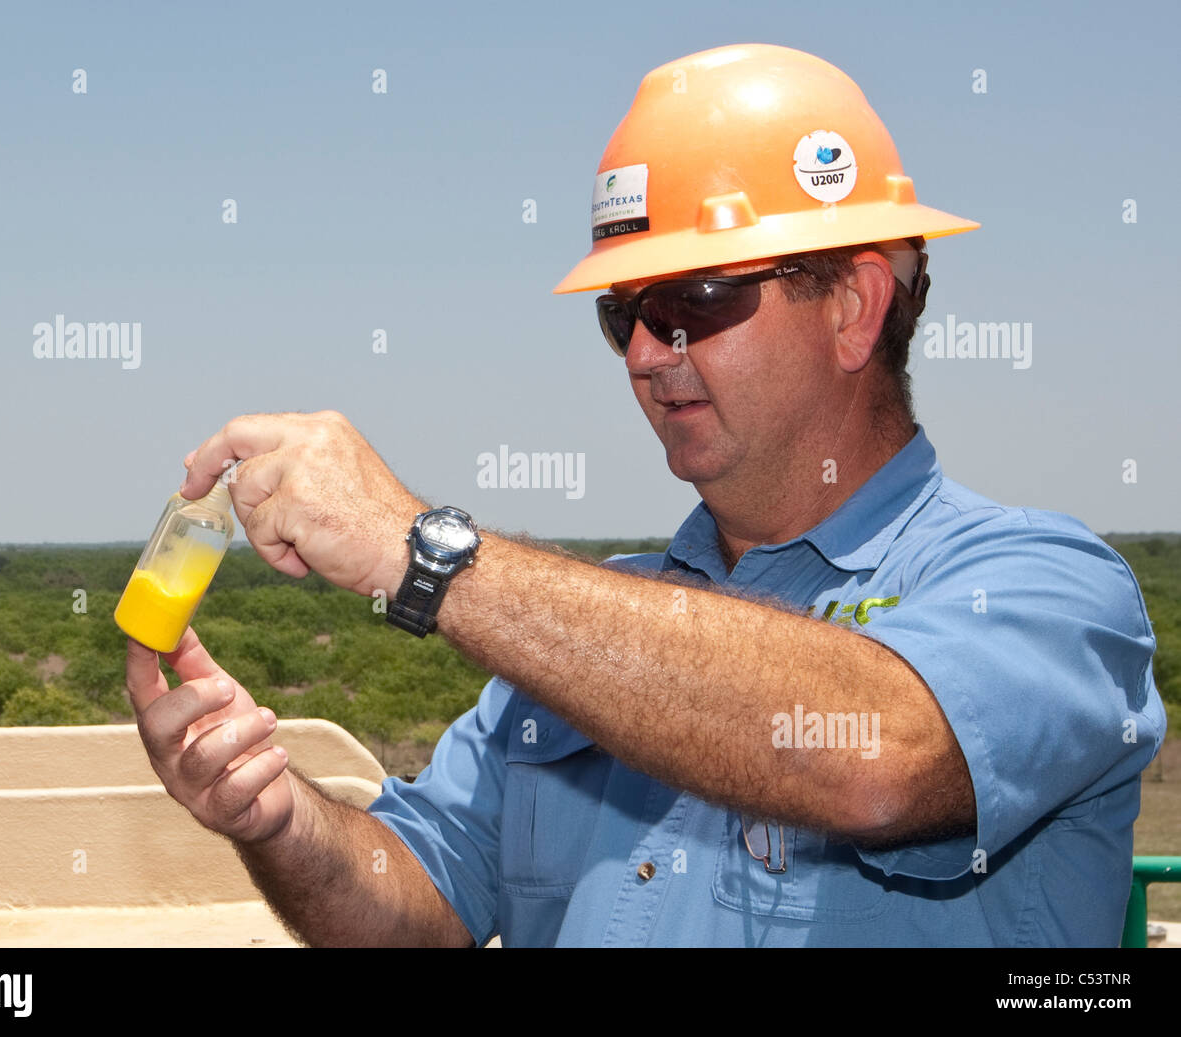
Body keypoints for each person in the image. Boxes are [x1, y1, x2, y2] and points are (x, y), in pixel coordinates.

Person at [124, 43, 1166, 947]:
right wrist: (275, 817)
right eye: (621, 314)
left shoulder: (1046, 593)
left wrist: (420, 548)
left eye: (690, 302)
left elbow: (876, 752)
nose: (642, 353)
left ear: (852, 307)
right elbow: (420, 903)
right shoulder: (569, 642)